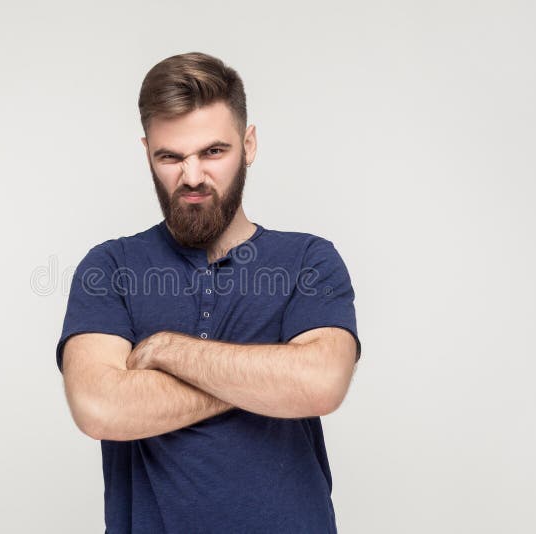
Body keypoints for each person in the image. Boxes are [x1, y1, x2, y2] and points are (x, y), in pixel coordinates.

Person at [55, 51, 362, 534]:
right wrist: (272, 375)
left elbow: (321, 383)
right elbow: (100, 408)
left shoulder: (308, 260)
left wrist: (166, 349)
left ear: (249, 143)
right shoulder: (110, 268)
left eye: (213, 152)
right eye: (171, 157)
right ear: (147, 152)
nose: (193, 176)